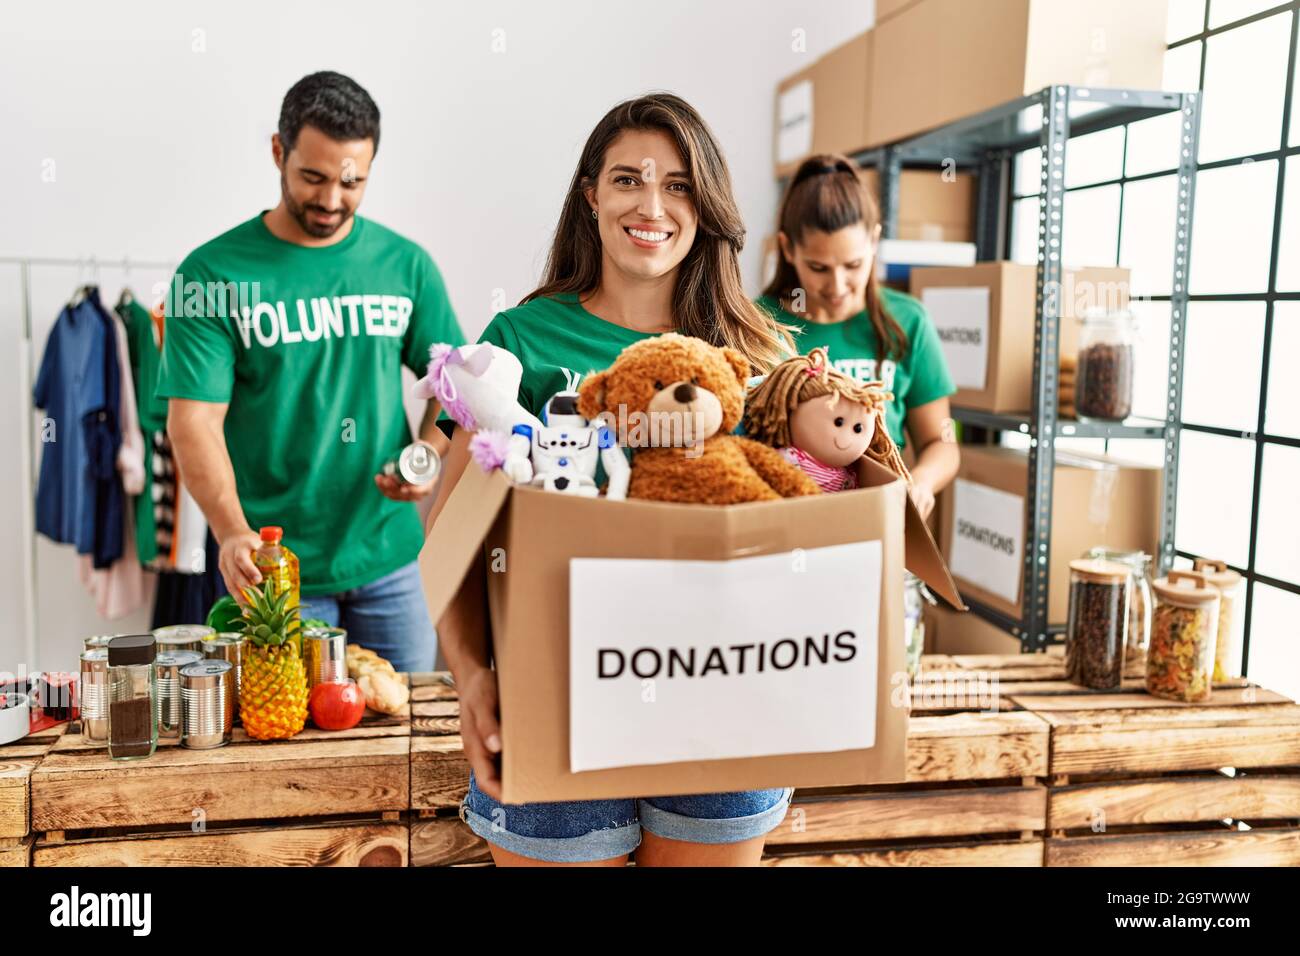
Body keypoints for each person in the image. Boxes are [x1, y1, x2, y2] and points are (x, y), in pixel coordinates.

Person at [427, 93, 796, 867]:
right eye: (628, 179)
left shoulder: (751, 354)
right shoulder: (520, 338)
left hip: (720, 704)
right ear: (590, 193)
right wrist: (470, 678)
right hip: (552, 694)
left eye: (678, 185)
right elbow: (450, 531)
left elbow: (801, 524)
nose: (651, 205)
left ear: (705, 205)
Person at [157, 71, 465, 673]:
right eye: (313, 177)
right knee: (285, 758)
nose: (331, 200)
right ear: (279, 152)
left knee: (403, 746)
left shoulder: (406, 266)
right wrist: (231, 530)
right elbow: (193, 421)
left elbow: (456, 384)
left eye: (352, 182)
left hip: (391, 558)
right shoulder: (210, 275)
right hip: (270, 568)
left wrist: (428, 455)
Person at [757, 154, 959, 519]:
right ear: (788, 249)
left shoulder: (908, 321)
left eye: (853, 266)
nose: (837, 286)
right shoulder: (759, 324)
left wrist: (923, 481)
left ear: (875, 241)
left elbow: (942, 441)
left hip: (878, 519)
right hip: (784, 519)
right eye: (818, 268)